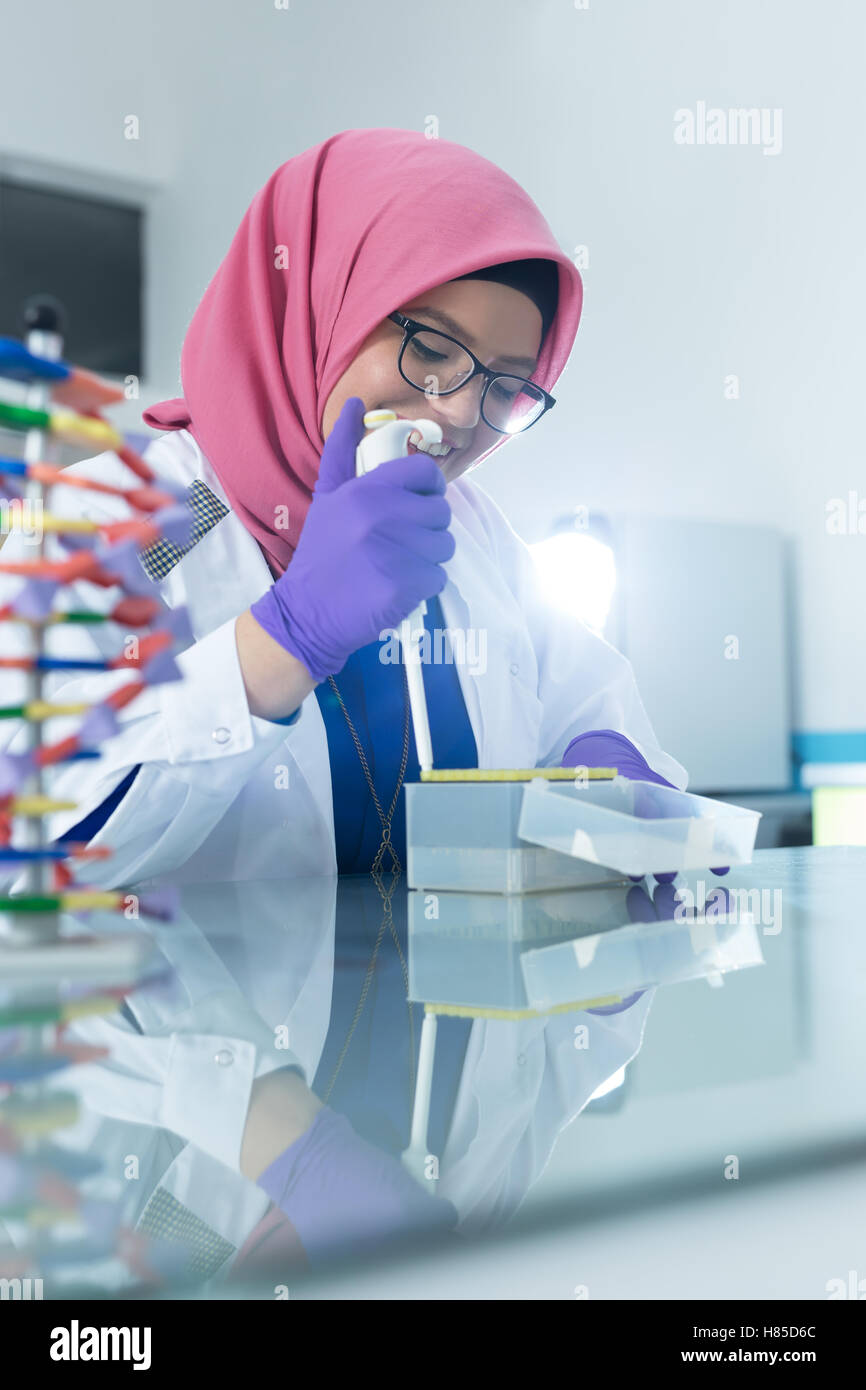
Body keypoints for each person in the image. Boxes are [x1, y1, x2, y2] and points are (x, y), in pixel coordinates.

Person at [0, 127, 687, 891]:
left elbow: (586, 704)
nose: (460, 412)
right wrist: (287, 638)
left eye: (505, 387)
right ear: (315, 307)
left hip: (460, 1004)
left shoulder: (471, 531)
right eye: (431, 348)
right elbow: (31, 843)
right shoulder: (137, 519)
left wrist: (614, 779)